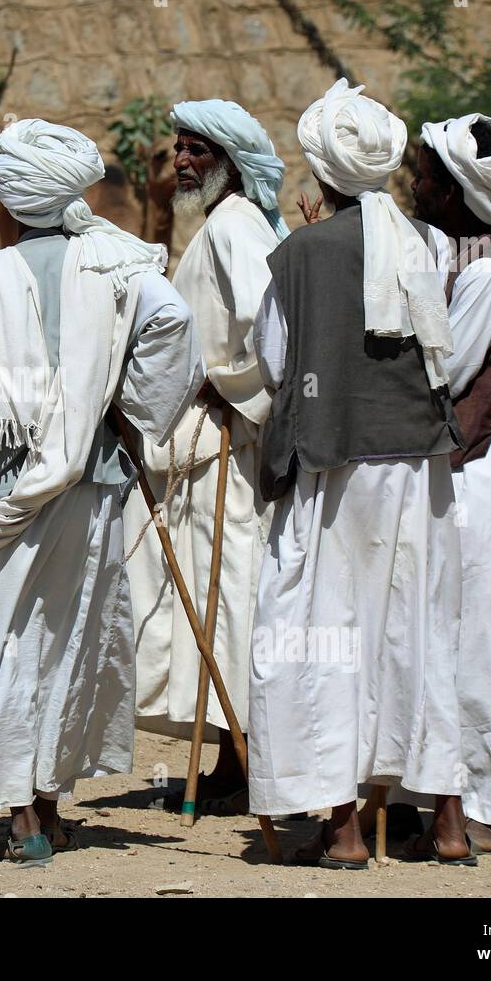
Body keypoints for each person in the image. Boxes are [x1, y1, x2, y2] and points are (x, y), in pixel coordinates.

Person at [0, 118, 203, 864]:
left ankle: (23, 815)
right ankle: (53, 807)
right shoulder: (118, 269)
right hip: (91, 488)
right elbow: (176, 325)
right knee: (70, 642)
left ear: (7, 195)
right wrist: (129, 402)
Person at [249, 78, 473, 868]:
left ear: (320, 172)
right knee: (418, 634)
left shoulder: (299, 253)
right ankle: (447, 822)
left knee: (323, 636)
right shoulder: (433, 244)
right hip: (419, 475)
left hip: (336, 474)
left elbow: (275, 360)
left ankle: (343, 829)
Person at [125, 100, 286, 812]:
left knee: (230, 595)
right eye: (180, 148)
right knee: (213, 596)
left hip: (227, 444)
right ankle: (230, 755)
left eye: (198, 150)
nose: (183, 161)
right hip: (205, 443)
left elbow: (268, 327)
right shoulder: (224, 226)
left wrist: (231, 389)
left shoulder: (235, 228)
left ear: (230, 161)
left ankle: (246, 760)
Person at [413, 113, 491, 854]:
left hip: (481, 475)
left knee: (482, 639)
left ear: (455, 191)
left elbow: (443, 376)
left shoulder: (487, 271)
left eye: (426, 175)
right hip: (464, 473)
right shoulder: (458, 253)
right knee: (443, 635)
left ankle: (490, 805)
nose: (416, 185)